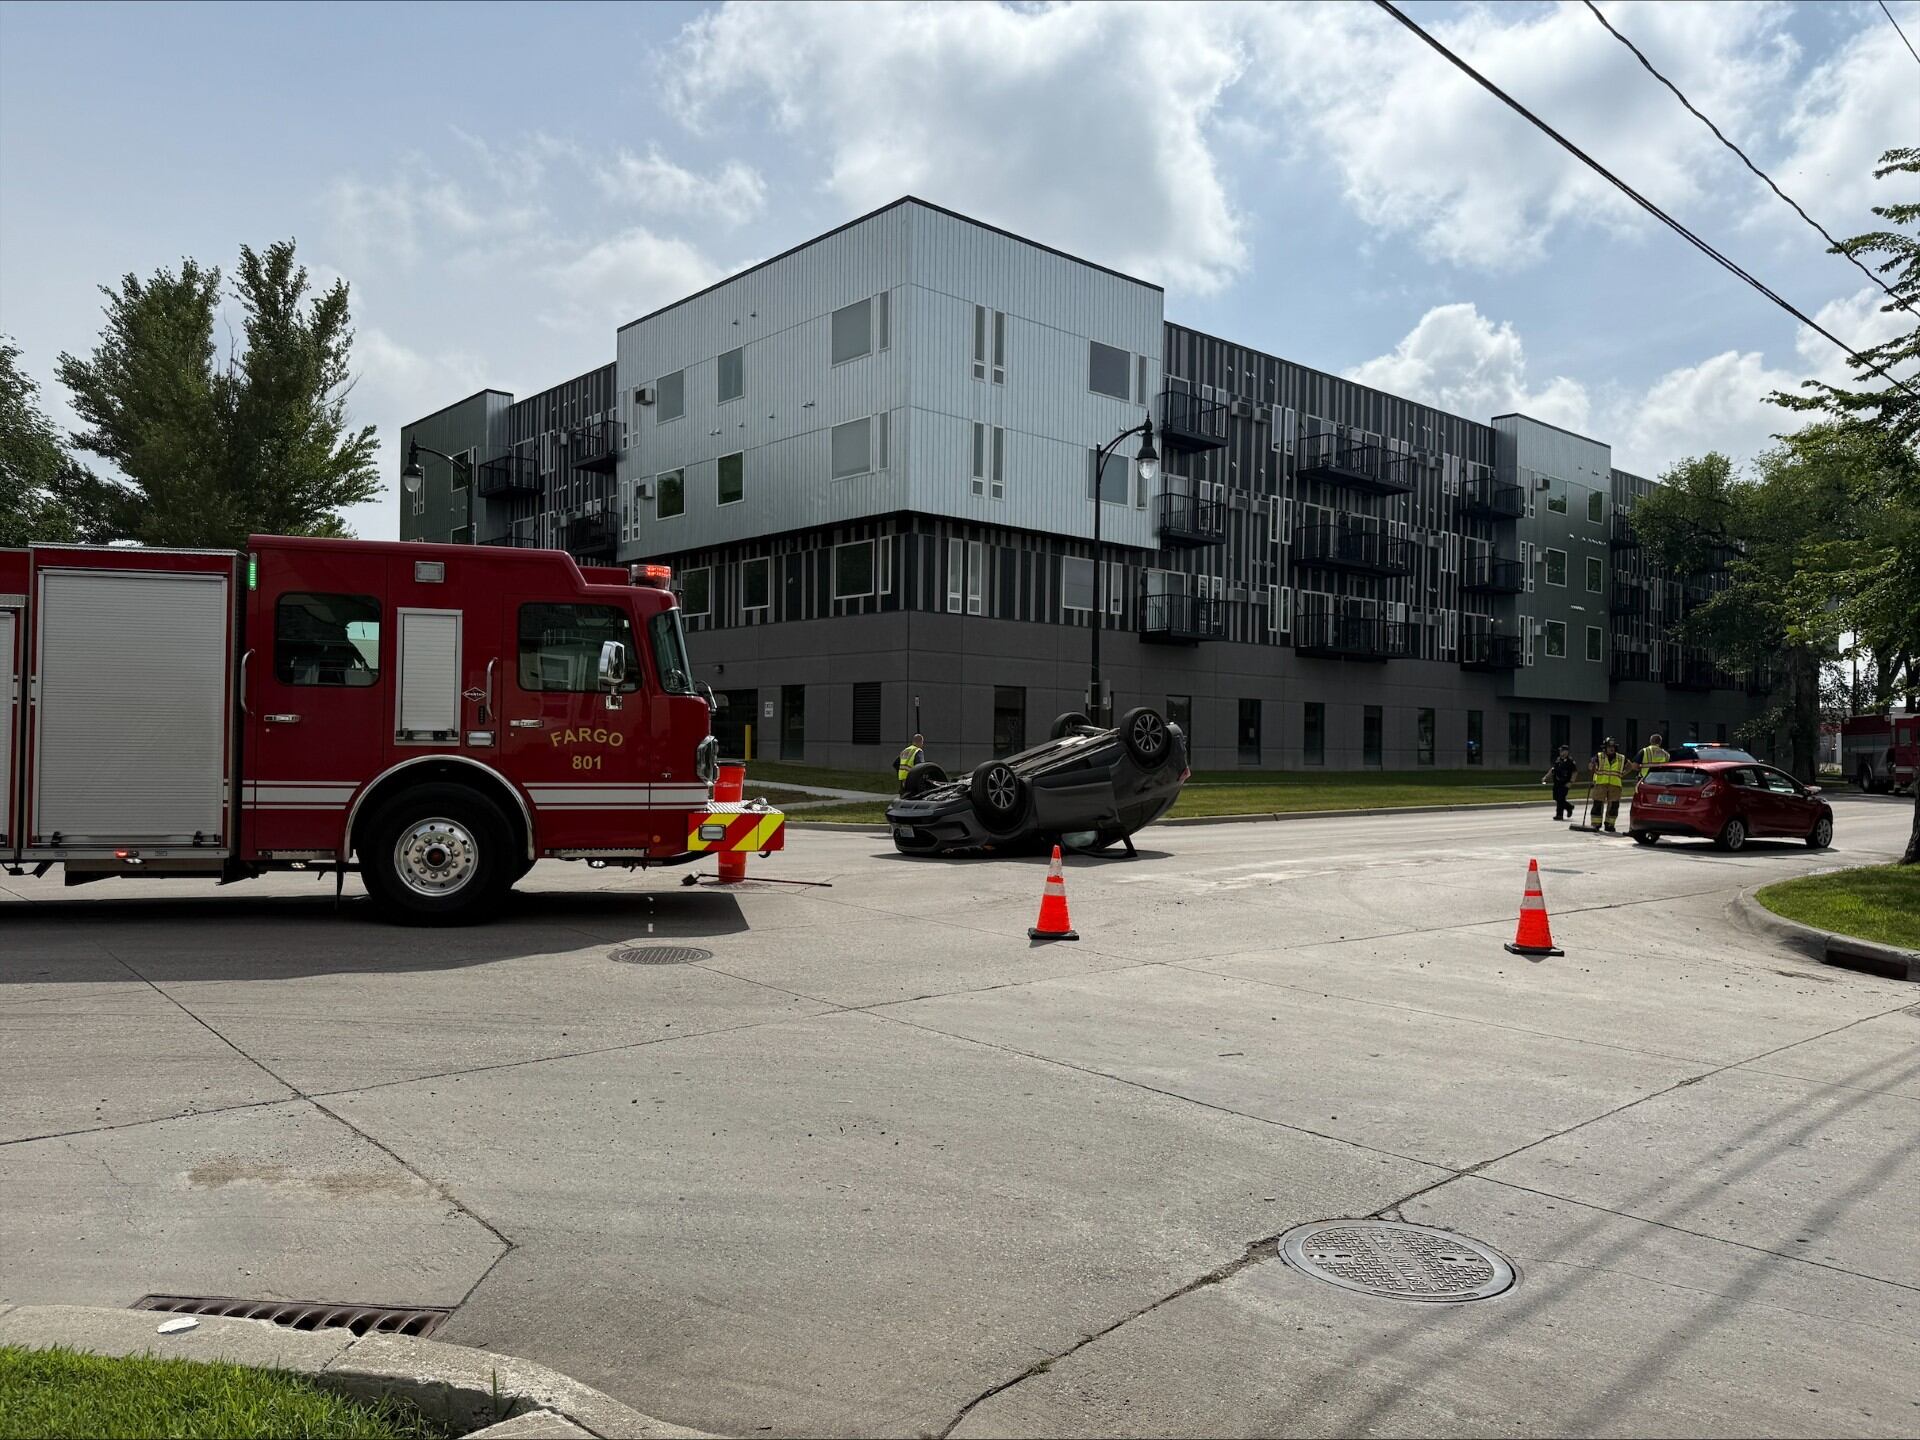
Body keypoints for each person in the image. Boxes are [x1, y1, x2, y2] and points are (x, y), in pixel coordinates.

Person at [1588, 737, 1627, 833]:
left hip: (1615, 785)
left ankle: (1610, 824)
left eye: (1613, 747)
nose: (1611, 749)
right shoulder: (1599, 756)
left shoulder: (1621, 758)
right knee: (1598, 804)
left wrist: (1623, 773)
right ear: (1605, 748)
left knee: (1613, 806)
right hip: (1600, 784)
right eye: (1609, 747)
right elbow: (1591, 765)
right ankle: (1596, 824)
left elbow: (1630, 765)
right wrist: (1592, 768)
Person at [1543, 744, 1578, 821]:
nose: (1560, 752)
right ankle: (1569, 807)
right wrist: (1546, 777)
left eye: (1562, 751)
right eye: (1560, 751)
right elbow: (1553, 770)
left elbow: (1574, 772)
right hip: (1557, 782)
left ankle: (1559, 815)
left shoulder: (1570, 762)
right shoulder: (1558, 760)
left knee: (1561, 798)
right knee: (1556, 798)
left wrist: (1571, 782)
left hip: (1565, 783)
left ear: (1566, 752)